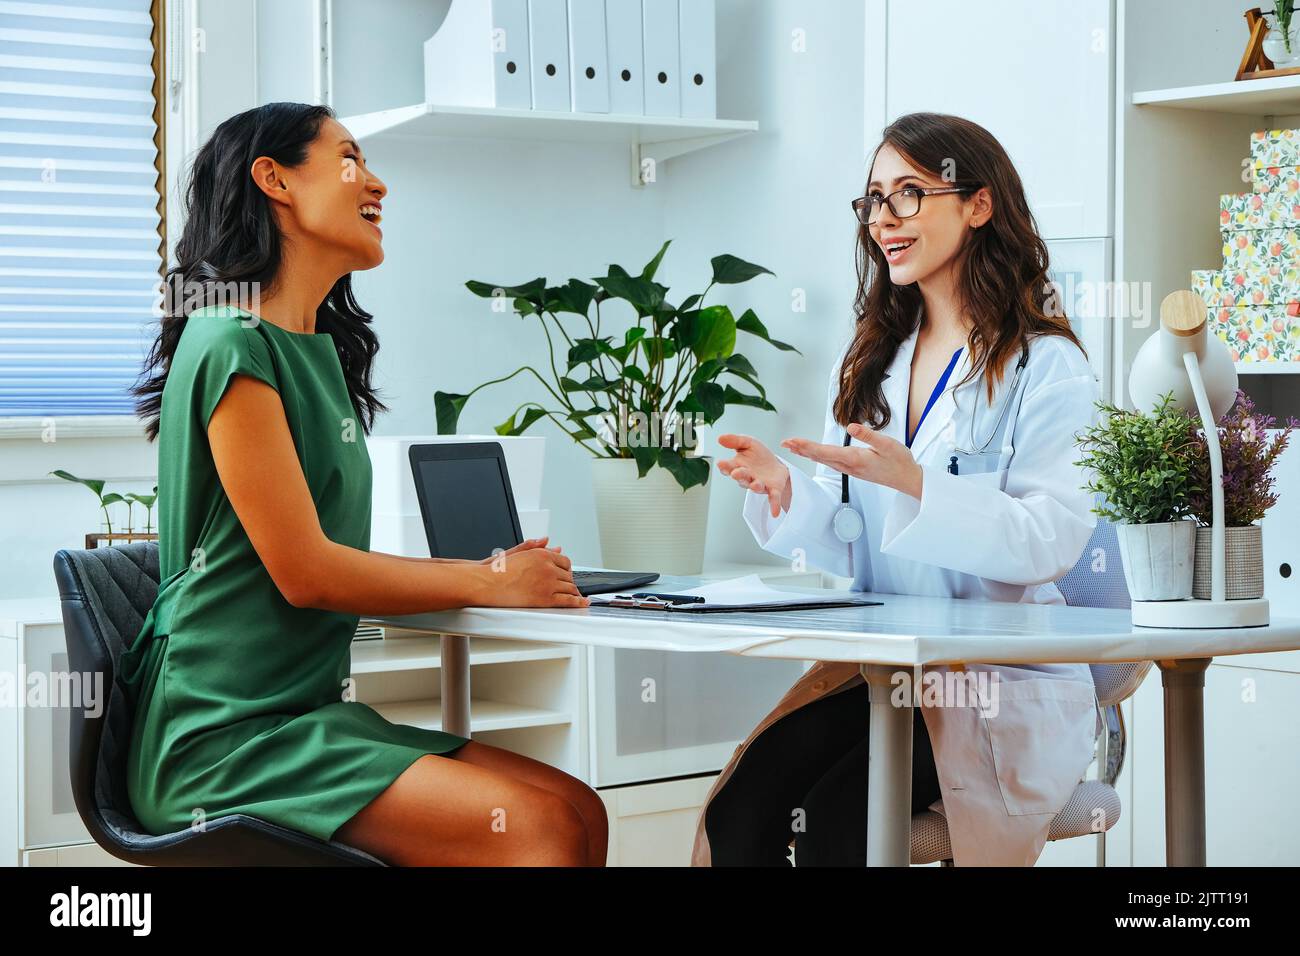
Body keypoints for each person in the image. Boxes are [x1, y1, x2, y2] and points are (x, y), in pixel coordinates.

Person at [125, 102, 606, 866]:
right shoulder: (229, 342)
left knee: (579, 811)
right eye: (350, 159)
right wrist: (489, 578)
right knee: (538, 830)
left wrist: (499, 576)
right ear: (273, 179)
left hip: (307, 718)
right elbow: (307, 574)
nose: (377, 183)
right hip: (221, 741)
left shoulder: (315, 352)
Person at [693, 112, 1104, 867]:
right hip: (885, 669)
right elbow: (852, 537)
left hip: (991, 685)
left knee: (834, 825)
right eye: (875, 199)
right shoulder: (872, 361)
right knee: (742, 808)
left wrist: (920, 486)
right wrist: (791, 492)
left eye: (910, 193)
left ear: (979, 205)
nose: (885, 218)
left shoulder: (1047, 367)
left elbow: (1051, 539)